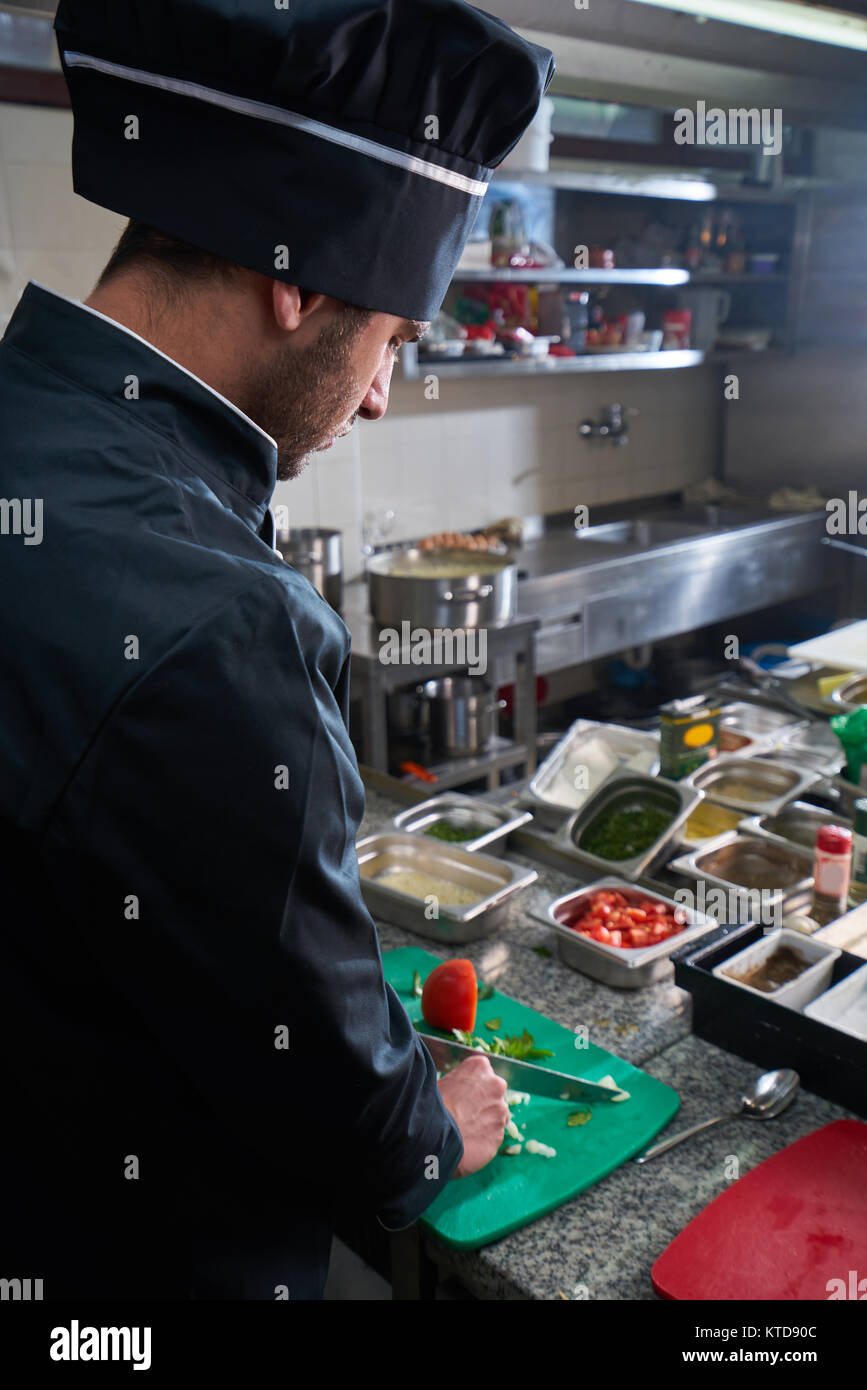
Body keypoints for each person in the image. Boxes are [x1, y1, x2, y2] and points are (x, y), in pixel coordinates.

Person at [0, 0, 553, 1298]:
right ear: (293, 279)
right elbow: (331, 1098)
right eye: (390, 342)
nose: (376, 395)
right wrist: (431, 1125)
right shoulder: (224, 618)